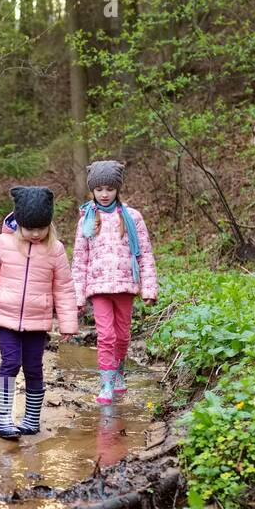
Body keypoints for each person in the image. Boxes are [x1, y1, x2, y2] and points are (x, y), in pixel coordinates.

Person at [0, 186, 78, 439]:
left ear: (49, 224)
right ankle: (3, 419)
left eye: (41, 228)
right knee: (10, 363)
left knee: (33, 368)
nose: (36, 234)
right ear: (19, 224)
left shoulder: (55, 249)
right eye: (30, 228)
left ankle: (31, 419)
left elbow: (63, 287)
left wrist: (68, 323)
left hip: (37, 322)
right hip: (5, 318)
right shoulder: (4, 243)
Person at [71, 160, 158, 404]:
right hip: (98, 288)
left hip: (125, 286)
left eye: (110, 188)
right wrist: (77, 296)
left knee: (122, 335)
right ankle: (106, 383)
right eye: (99, 189)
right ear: (93, 191)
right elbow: (79, 259)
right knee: (105, 335)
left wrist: (149, 287)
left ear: (118, 189)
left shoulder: (133, 217)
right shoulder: (86, 219)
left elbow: (145, 254)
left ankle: (119, 371)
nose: (105, 194)